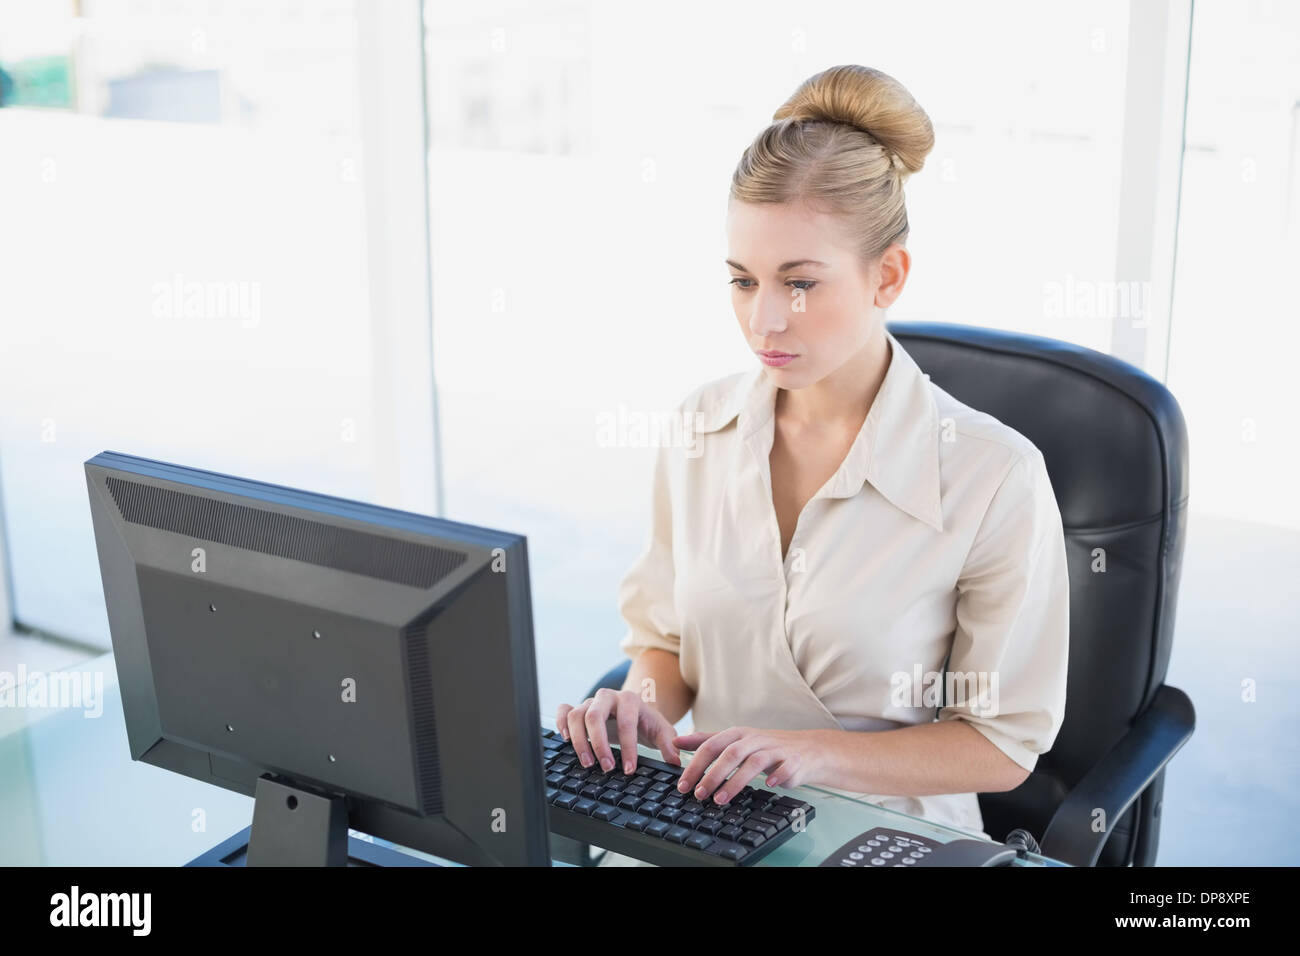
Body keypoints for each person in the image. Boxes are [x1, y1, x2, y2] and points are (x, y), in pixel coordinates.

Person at [555, 64, 1069, 862]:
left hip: (881, 837)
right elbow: (664, 642)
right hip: (710, 820)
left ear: (887, 277)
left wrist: (812, 754)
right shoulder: (702, 423)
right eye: (743, 280)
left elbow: (1002, 744)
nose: (763, 319)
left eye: (799, 283)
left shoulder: (993, 475)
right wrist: (637, 708)